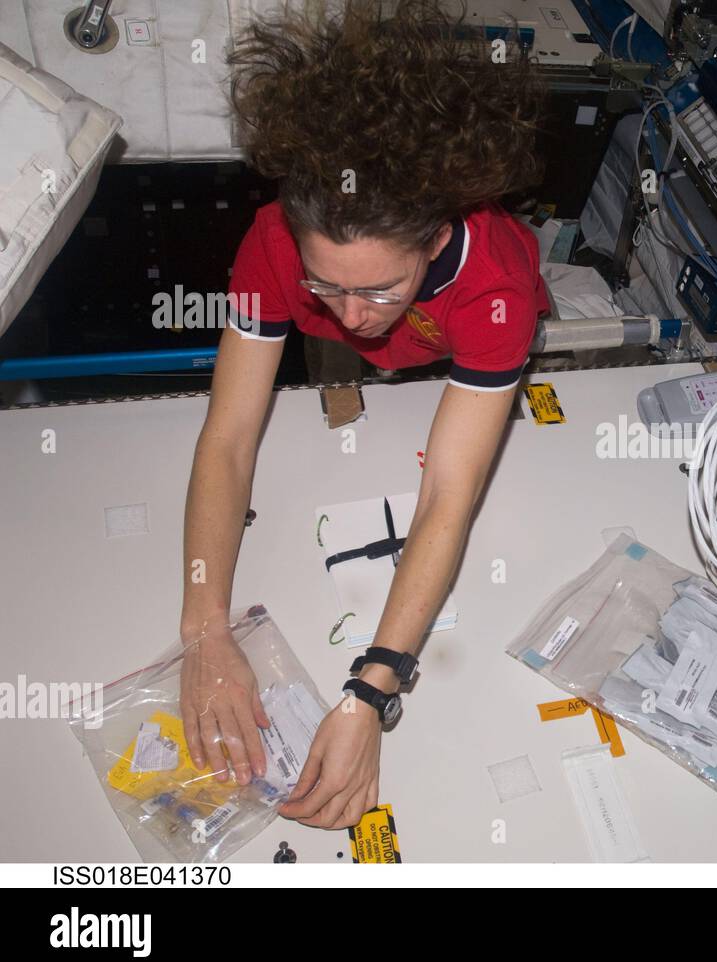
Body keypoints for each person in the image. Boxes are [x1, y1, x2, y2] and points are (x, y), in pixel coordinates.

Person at [178, 0, 549, 829]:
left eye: (380, 287)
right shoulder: (273, 244)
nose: (349, 316)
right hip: (391, 347)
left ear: (435, 235)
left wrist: (370, 690)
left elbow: (449, 493)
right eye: (327, 285)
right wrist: (204, 631)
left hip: (462, 344)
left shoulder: (497, 290)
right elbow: (231, 438)